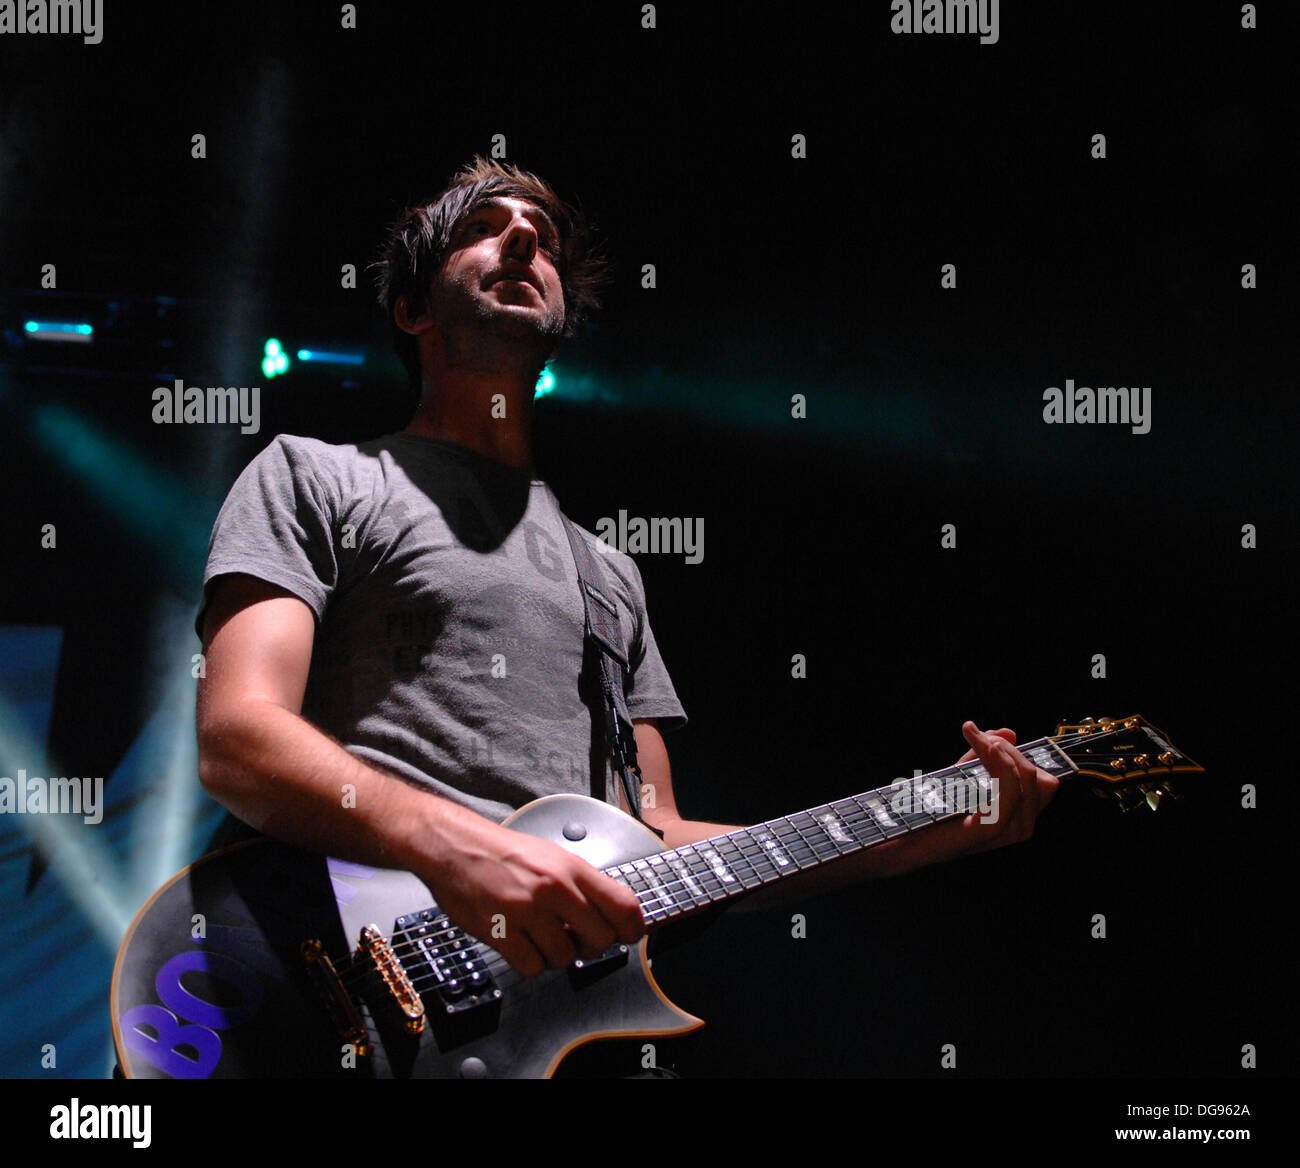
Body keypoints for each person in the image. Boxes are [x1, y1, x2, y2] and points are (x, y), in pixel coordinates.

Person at [194, 157, 1058, 990]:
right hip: (311, 979)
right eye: (485, 229)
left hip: (518, 1035)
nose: (524, 244)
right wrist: (457, 846)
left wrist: (920, 830)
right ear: (414, 307)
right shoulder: (317, 477)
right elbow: (237, 736)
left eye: (541, 238)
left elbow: (657, 841)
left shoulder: (609, 576)